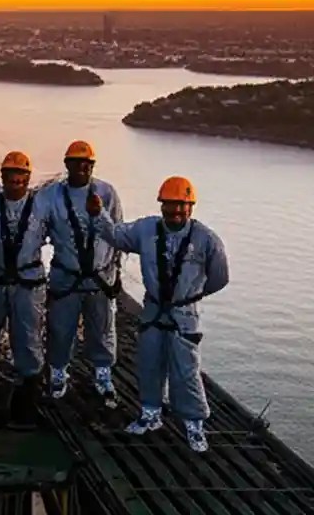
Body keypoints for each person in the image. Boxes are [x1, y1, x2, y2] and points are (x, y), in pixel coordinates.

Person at [87, 176, 229, 452]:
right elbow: (116, 235)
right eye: (170, 206)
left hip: (184, 313)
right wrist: (98, 214)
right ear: (162, 205)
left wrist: (191, 295)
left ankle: (194, 424)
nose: (175, 212)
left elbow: (220, 277)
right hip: (153, 308)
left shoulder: (207, 240)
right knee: (149, 363)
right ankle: (150, 413)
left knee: (185, 369)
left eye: (181, 206)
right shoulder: (146, 230)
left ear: (190, 207)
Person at [38, 140, 123, 406]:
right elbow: (36, 229)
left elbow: (117, 234)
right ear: (67, 165)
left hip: (99, 276)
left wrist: (116, 272)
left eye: (86, 163)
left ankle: (103, 375)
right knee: (60, 329)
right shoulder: (51, 196)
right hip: (67, 275)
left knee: (102, 330)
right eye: (75, 163)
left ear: (92, 166)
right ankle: (58, 373)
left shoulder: (107, 193)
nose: (81, 168)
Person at [0, 151, 47, 417]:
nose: (15, 183)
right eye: (11, 178)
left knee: (28, 334)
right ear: (2, 178)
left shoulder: (41, 207)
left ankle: (30, 381)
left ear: (27, 178)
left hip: (27, 282)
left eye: (20, 178)